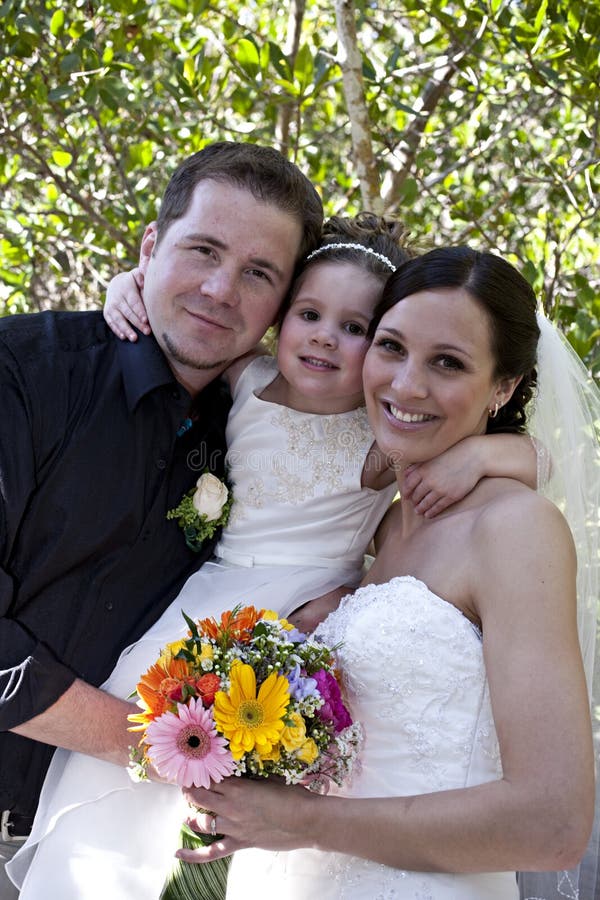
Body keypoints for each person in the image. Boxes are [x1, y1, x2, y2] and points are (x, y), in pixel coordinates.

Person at [7, 229, 541, 899]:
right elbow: (192, 332)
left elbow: (536, 458)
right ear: (282, 320)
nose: (323, 337)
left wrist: (488, 455)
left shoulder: (379, 436)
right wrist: (131, 287)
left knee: (247, 773)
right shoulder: (250, 379)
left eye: (355, 328)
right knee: (136, 763)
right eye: (309, 316)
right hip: (204, 604)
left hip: (302, 614)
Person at [177, 247, 599, 900]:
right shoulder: (379, 524)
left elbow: (554, 823)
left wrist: (302, 821)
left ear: (504, 386)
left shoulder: (515, 528)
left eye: (448, 363)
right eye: (392, 347)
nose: (405, 385)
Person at [0, 139, 324, 899]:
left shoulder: (263, 434)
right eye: (202, 249)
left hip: (101, 853)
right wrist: (172, 748)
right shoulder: (21, 372)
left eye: (258, 274)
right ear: (151, 246)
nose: (219, 288)